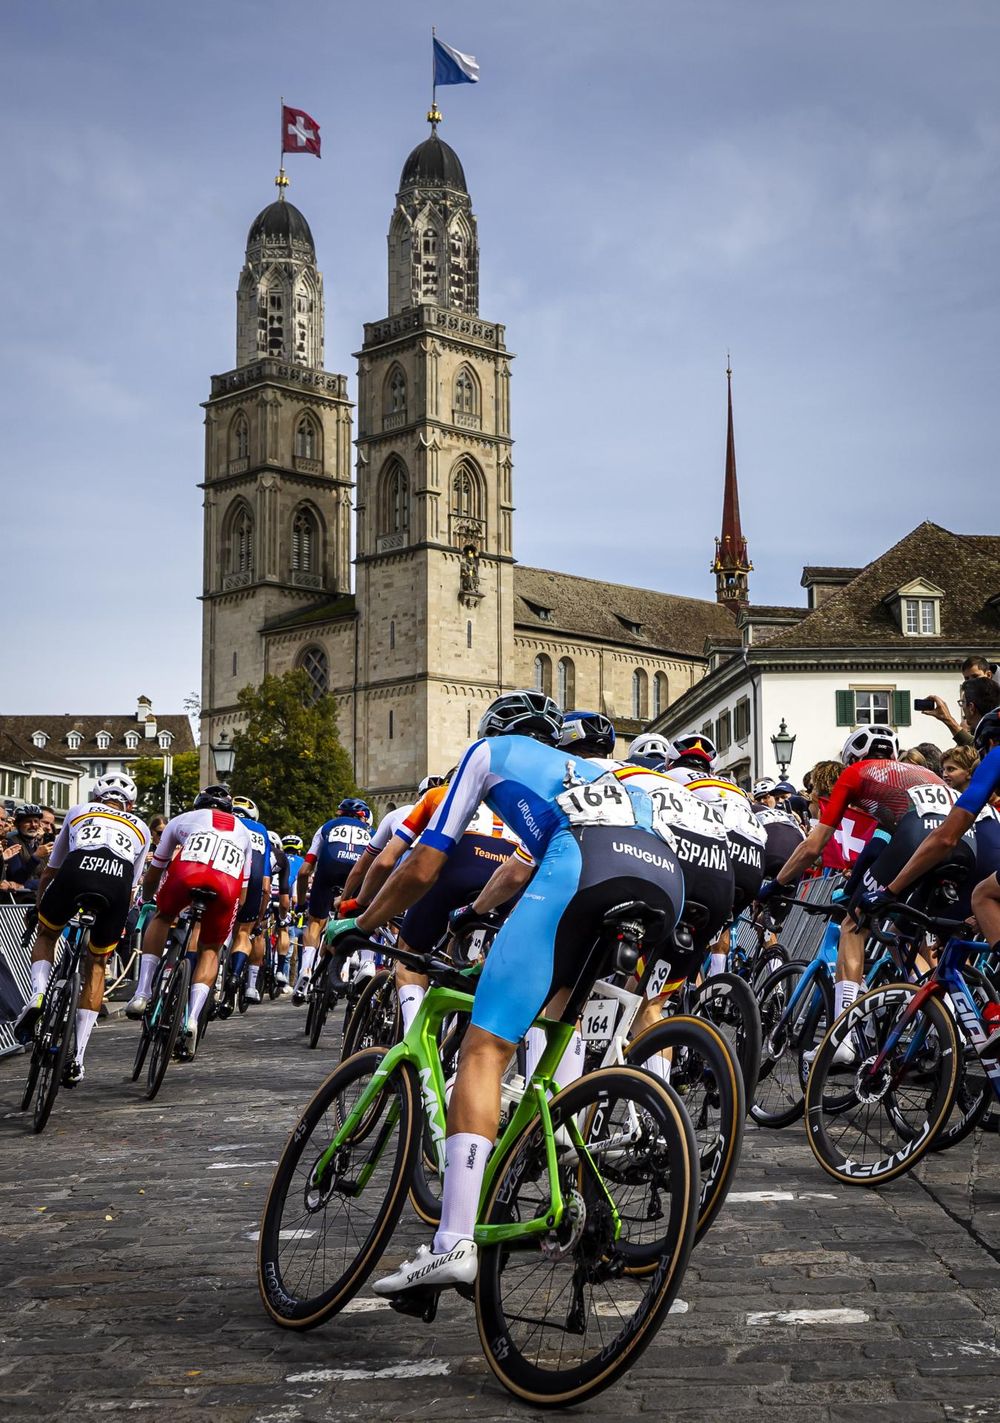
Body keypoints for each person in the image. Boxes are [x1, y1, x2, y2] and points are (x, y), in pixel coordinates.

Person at [324, 689, 685, 1298]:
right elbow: (526, 868)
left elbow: (422, 866)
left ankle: (452, 1243)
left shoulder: (488, 752)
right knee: (556, 1013)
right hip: (660, 882)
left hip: (582, 868)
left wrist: (361, 923)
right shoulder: (602, 774)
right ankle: (561, 1137)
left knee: (485, 1047)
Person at [759, 725, 945, 1057]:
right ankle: (948, 1020)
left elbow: (813, 846)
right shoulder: (913, 776)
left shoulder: (857, 773)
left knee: (853, 924)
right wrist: (854, 884)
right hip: (959, 841)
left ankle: (842, 1037)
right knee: (907, 932)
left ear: (853, 758)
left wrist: (776, 885)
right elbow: (877, 845)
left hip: (918, 837)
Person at [12, 774, 151, 1084]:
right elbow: (132, 887)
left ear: (97, 798)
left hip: (77, 871)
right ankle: (79, 1058)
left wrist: (40, 907)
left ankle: (37, 995)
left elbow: (50, 870)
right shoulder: (141, 827)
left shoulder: (79, 811)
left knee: (48, 934)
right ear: (130, 805)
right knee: (97, 964)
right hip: (117, 881)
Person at [127, 785, 252, 1060]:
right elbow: (243, 894)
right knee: (210, 949)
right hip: (225, 886)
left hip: (188, 874)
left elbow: (155, 870)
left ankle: (143, 992)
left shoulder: (181, 819)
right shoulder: (243, 832)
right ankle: (192, 1018)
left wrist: (147, 899)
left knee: (162, 917)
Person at [292, 798, 372, 1001]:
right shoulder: (371, 832)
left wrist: (301, 904)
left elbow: (304, 871)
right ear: (364, 817)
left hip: (328, 873)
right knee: (349, 923)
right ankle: (343, 970)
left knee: (315, 922)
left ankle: (306, 969)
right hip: (357, 875)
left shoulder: (326, 827)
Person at [227, 796, 272, 1006]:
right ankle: (236, 975)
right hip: (253, 882)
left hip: (227, 874)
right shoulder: (261, 831)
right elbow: (266, 886)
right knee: (244, 933)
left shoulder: (225, 820)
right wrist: (260, 918)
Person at [919, 674, 1000, 748]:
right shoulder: (991, 735)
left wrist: (948, 719)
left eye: (962, 702)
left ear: (971, 708)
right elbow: (974, 745)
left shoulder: (990, 746)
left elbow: (975, 749)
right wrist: (947, 719)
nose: (962, 707)